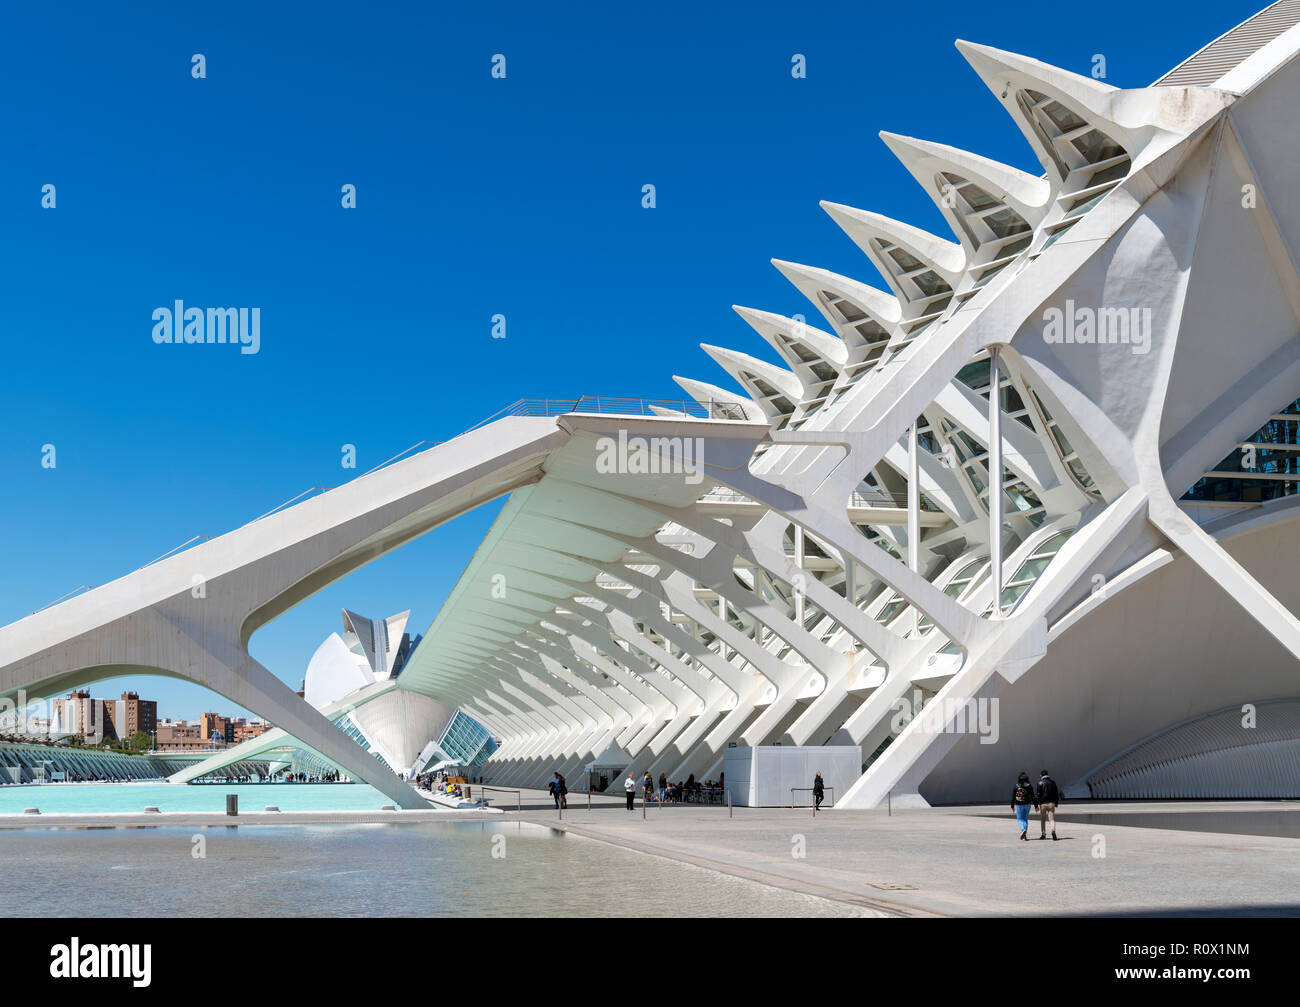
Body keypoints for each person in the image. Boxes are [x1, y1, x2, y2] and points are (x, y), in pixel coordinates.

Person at [1011, 771, 1037, 841]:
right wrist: (1036, 806)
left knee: (1019, 819)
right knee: (1025, 819)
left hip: (1019, 804)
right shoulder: (1029, 785)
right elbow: (1033, 796)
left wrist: (1012, 806)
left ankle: (1023, 829)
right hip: (1027, 804)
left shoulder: (1016, 785)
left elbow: (1013, 797)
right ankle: (1024, 835)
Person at [1035, 769, 1061, 840]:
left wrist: (1036, 805)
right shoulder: (1053, 782)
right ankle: (1053, 831)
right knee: (1051, 819)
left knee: (1043, 819)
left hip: (1043, 803)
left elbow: (1038, 794)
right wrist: (1056, 802)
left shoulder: (1040, 783)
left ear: (1041, 775)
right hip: (1051, 803)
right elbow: (1056, 793)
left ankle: (1043, 834)